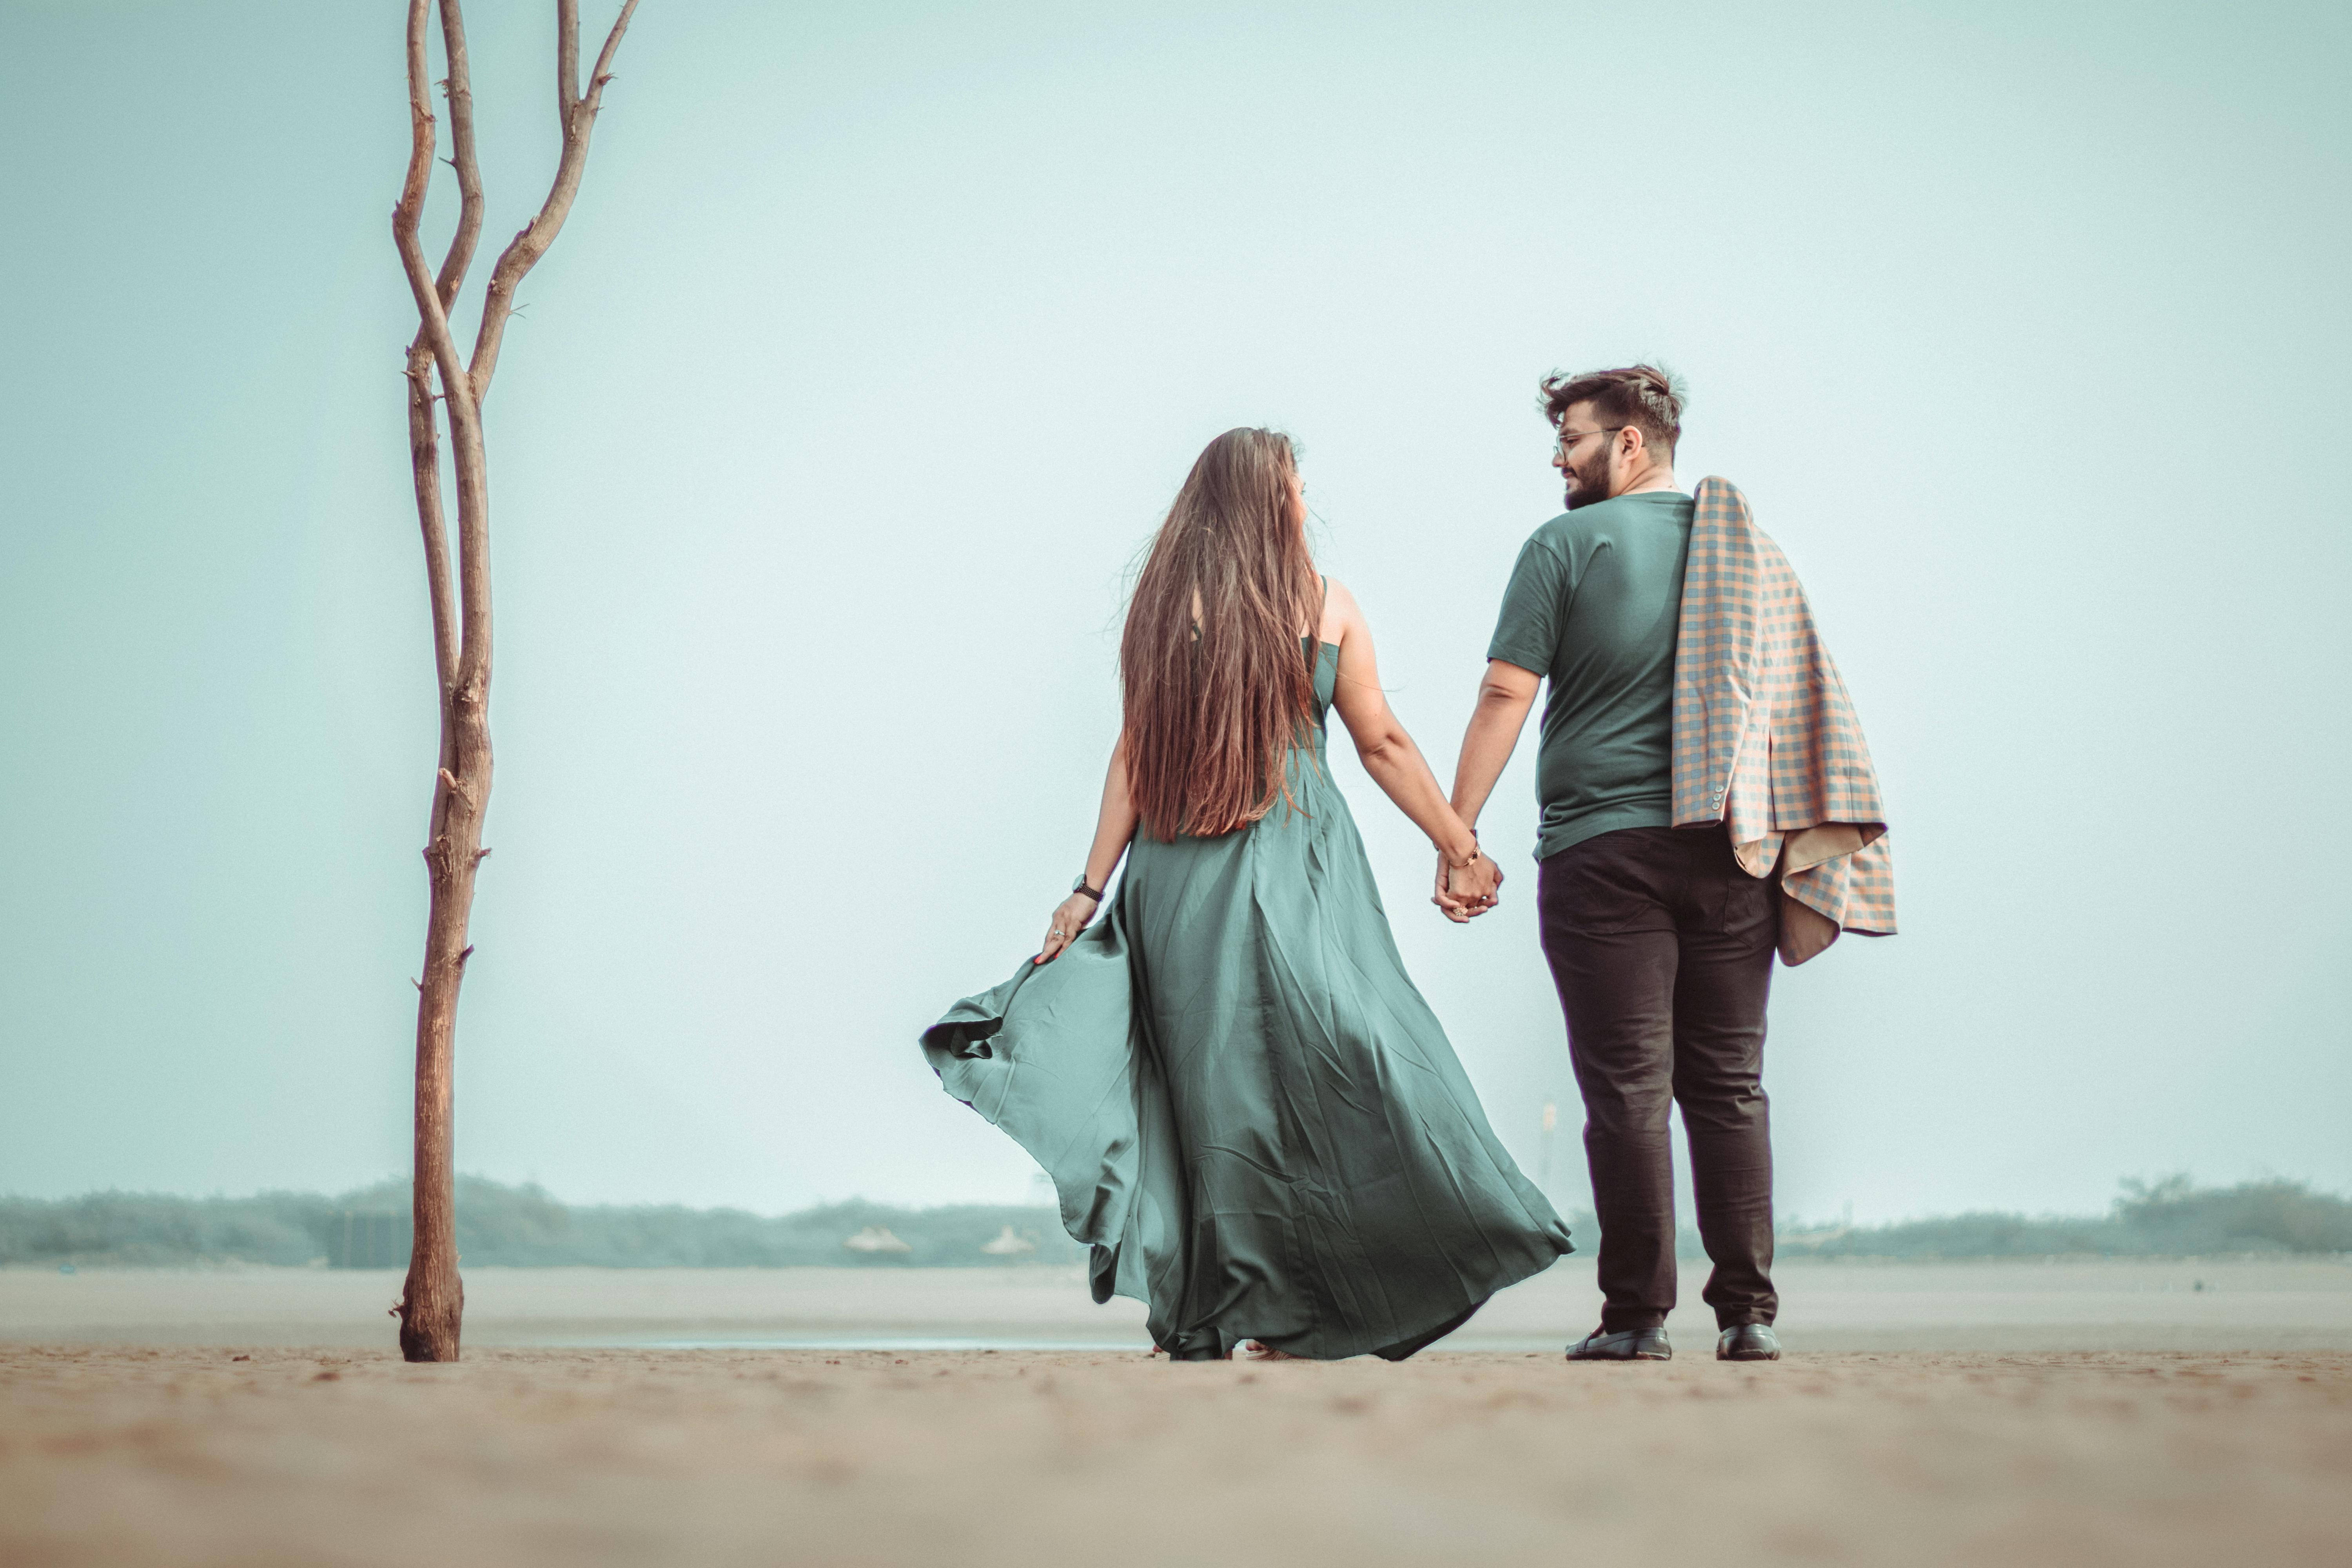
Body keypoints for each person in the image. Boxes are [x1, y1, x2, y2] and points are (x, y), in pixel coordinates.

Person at [922, 426, 1572, 1361]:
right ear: (1273, 500)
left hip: (1176, 873)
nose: (1307, 500)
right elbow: (1379, 740)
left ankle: (1215, 1313)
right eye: (1298, 485)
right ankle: (1295, 1298)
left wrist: (1091, 886)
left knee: (1205, 1091)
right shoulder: (1327, 603)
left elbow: (1131, 756)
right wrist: (1458, 843)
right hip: (1295, 862)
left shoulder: (1163, 606)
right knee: (1348, 1053)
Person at [1443, 365, 1894, 1365]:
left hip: (1604, 852)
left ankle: (1636, 1319)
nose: (1558, 457)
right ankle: (1748, 1314)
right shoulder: (1753, 557)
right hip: (1735, 845)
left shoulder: (1564, 544)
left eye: (1573, 437)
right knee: (1731, 1083)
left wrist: (1455, 828)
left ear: (1630, 443)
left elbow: (1504, 694)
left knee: (1628, 1091)